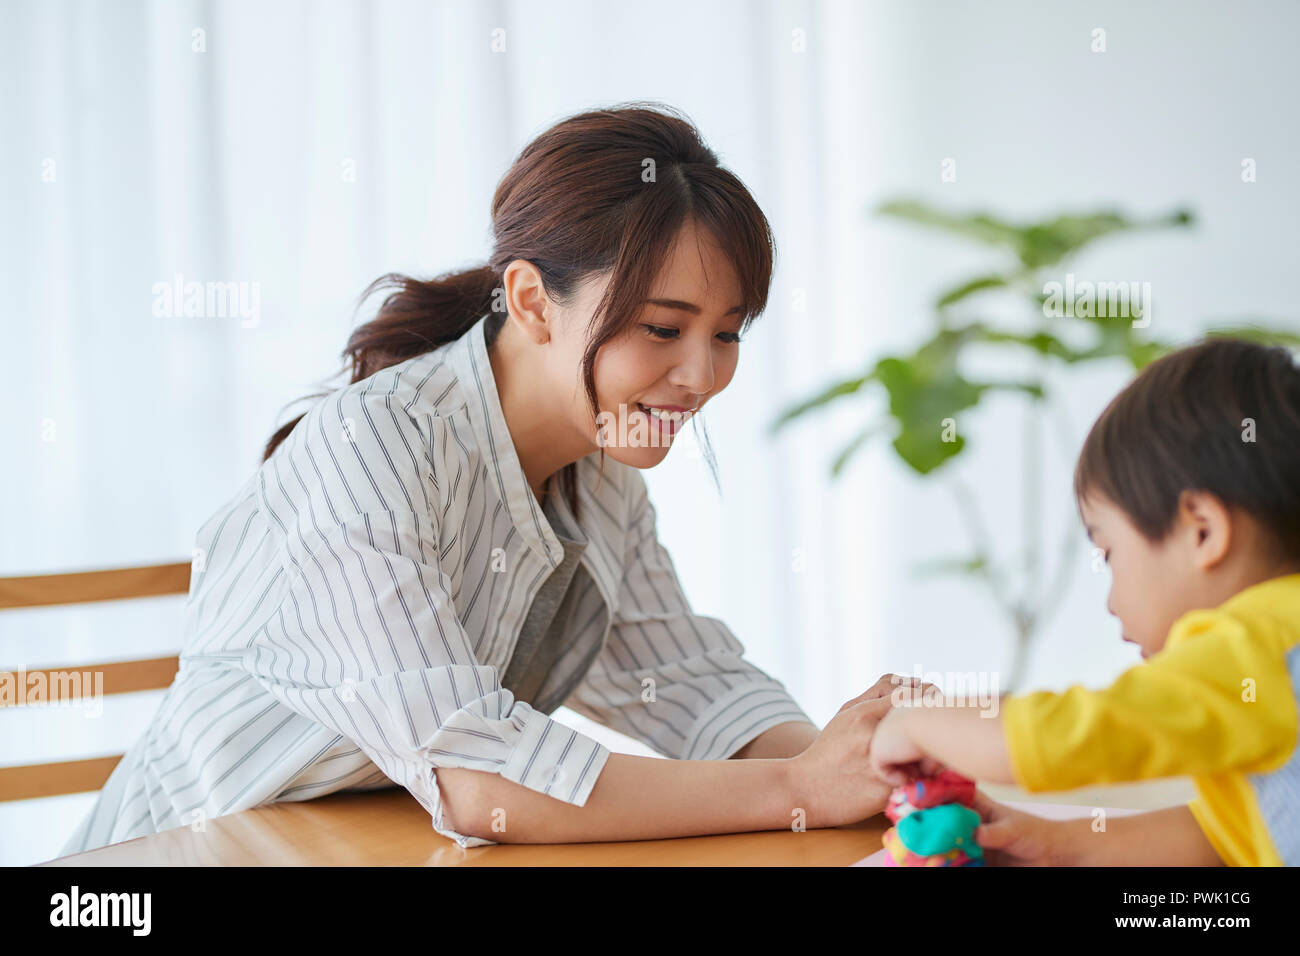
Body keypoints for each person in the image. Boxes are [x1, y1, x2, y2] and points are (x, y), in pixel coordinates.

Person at [60, 102, 915, 856]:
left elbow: (692, 685)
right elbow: (482, 780)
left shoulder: (600, 471)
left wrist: (871, 769)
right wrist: (801, 791)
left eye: (727, 335)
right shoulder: (378, 444)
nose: (701, 376)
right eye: (662, 328)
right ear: (533, 300)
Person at [869, 337, 1300, 866]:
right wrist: (1055, 844)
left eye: (1109, 552)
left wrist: (918, 723)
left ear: (1203, 531)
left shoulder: (1255, 645)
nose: (1112, 603)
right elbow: (1229, 835)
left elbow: (1078, 735)